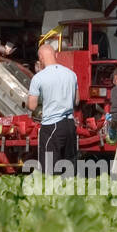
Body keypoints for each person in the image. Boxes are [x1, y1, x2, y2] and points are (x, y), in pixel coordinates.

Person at [27, 42, 78, 175]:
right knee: (69, 168)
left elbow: (32, 105)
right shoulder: (71, 74)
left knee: (49, 169)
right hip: (70, 125)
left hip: (52, 125)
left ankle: (51, 194)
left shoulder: (38, 78)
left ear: (41, 58)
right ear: (55, 55)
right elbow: (76, 100)